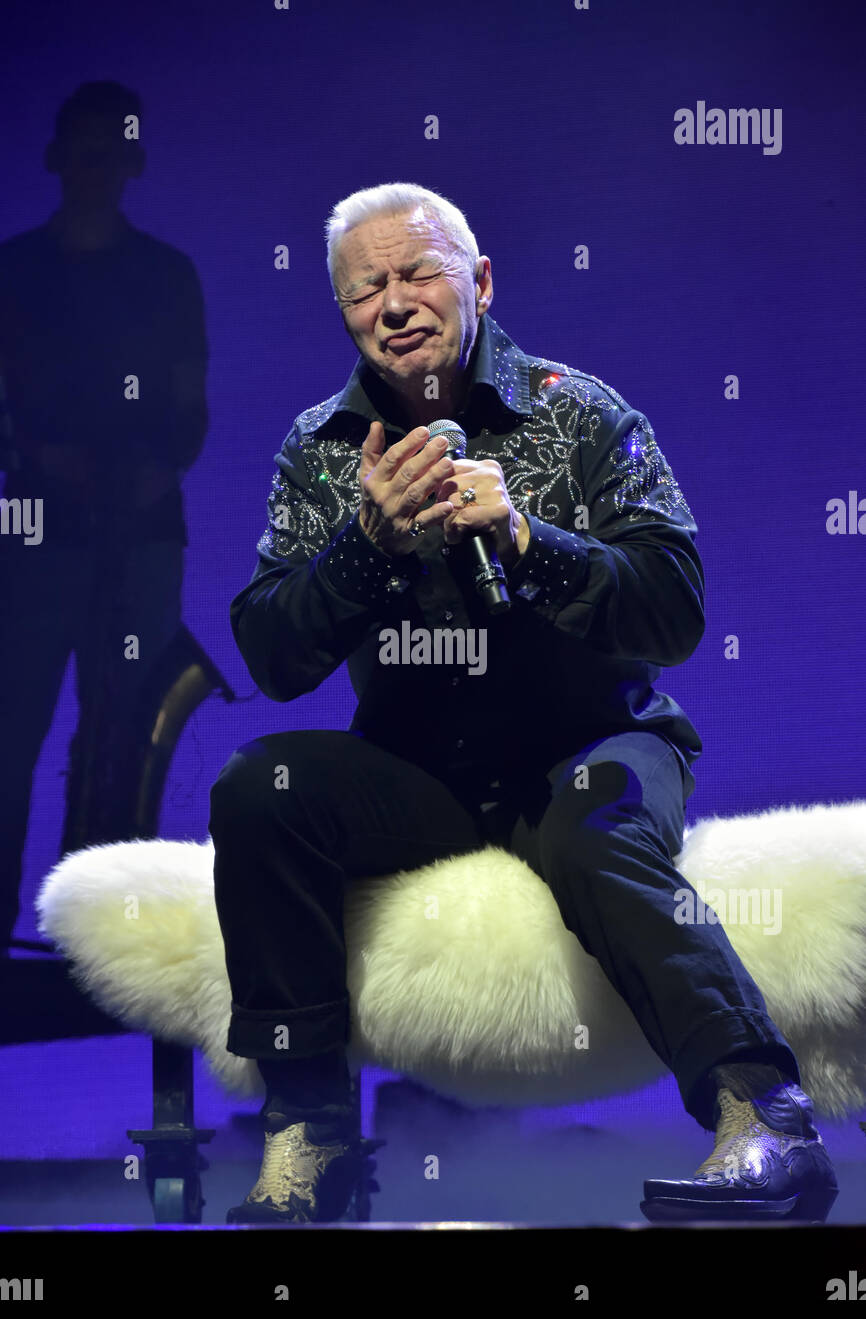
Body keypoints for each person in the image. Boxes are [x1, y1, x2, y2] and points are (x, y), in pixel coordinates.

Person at [211, 181, 838, 1225]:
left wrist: (526, 542)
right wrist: (362, 552)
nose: (394, 303)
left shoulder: (579, 411)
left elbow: (673, 611)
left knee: (599, 829)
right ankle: (312, 1134)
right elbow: (269, 651)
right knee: (259, 789)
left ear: (480, 282)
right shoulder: (319, 447)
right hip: (420, 770)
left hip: (589, 741)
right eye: (366, 289)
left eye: (417, 274)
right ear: (343, 311)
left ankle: (764, 1121)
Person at [0, 81, 208, 953]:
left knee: (117, 736)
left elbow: (189, 411)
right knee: (19, 729)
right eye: (84, 148)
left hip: (124, 534)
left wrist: (145, 474)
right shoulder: (17, 272)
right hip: (48, 535)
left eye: (106, 149)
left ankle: (91, 944)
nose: (95, 167)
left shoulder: (161, 275)